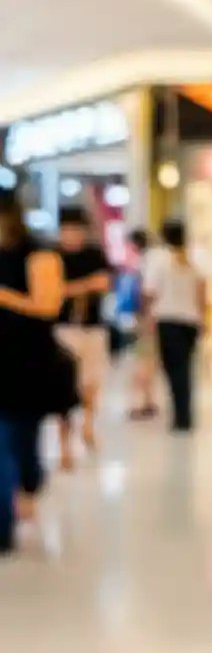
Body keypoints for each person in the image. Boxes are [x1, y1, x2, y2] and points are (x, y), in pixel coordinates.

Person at [0, 194, 70, 554]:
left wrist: (5, 297)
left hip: (26, 364)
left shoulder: (39, 254)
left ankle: (29, 483)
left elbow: (49, 305)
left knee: (19, 443)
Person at [54, 208, 113, 470]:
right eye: (67, 229)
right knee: (63, 388)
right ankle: (64, 446)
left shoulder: (95, 254)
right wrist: (86, 285)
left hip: (93, 327)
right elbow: (54, 291)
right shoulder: (52, 256)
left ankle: (88, 426)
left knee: (91, 383)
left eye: (76, 229)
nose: (72, 235)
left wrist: (72, 288)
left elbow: (105, 283)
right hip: (64, 328)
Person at [143, 220, 207, 433]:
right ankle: (184, 413)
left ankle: (181, 415)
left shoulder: (159, 259)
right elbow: (202, 292)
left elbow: (150, 292)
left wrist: (145, 317)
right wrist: (203, 318)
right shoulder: (196, 258)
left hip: (168, 320)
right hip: (191, 321)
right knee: (185, 367)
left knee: (173, 369)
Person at [125, 229, 160, 420]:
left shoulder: (146, 262)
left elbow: (146, 292)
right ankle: (148, 400)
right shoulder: (156, 259)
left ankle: (140, 402)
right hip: (153, 318)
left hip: (148, 319)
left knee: (143, 361)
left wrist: (144, 316)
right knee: (148, 361)